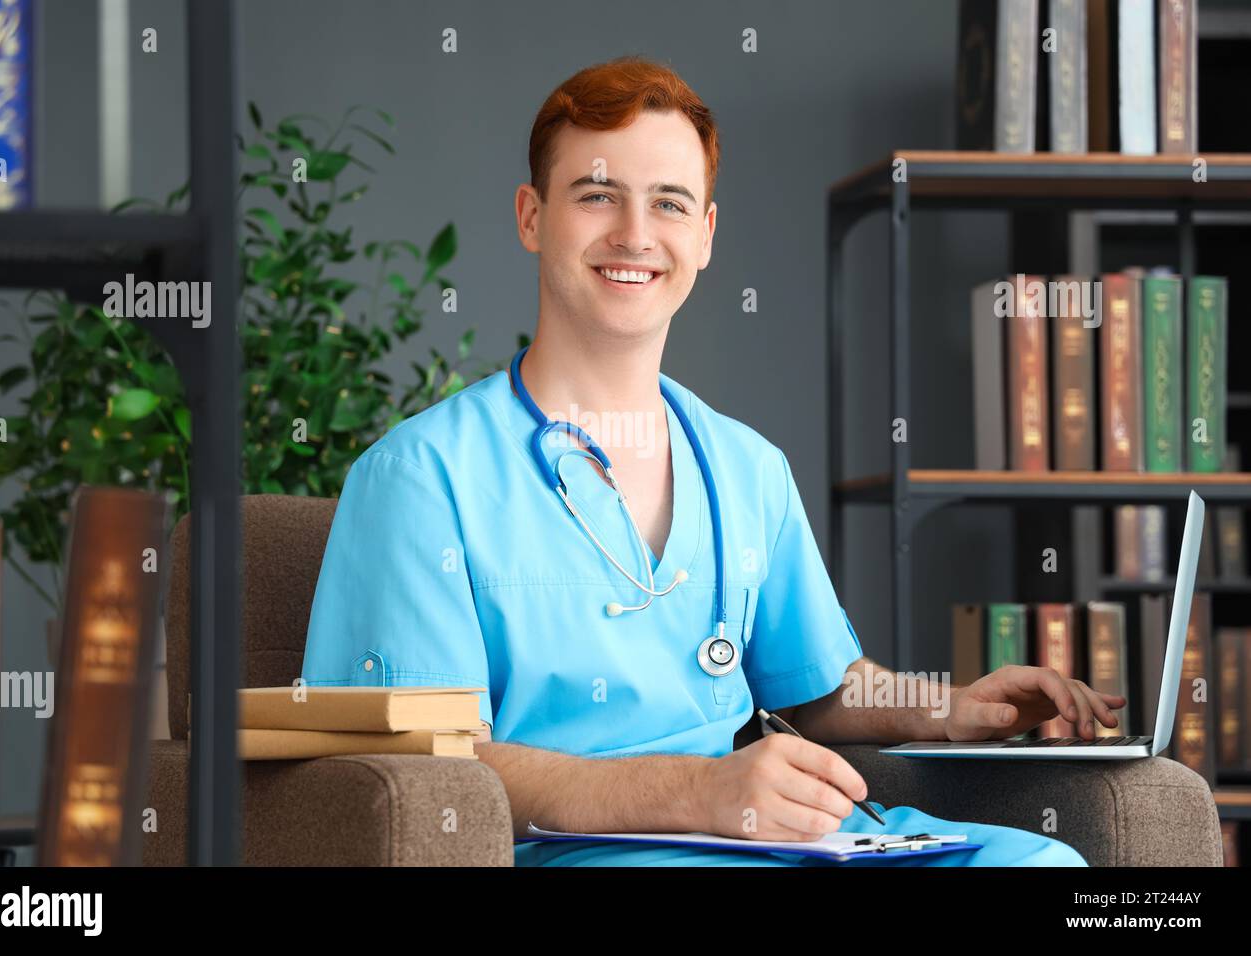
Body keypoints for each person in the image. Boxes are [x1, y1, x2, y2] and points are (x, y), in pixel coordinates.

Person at [301, 56, 1116, 866]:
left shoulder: (745, 466)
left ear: (705, 235)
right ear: (530, 216)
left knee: (1043, 867)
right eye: (596, 195)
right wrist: (699, 792)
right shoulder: (419, 479)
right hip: (596, 851)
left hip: (787, 842)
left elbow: (817, 687)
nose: (635, 234)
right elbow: (430, 768)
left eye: (669, 203)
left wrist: (949, 708)